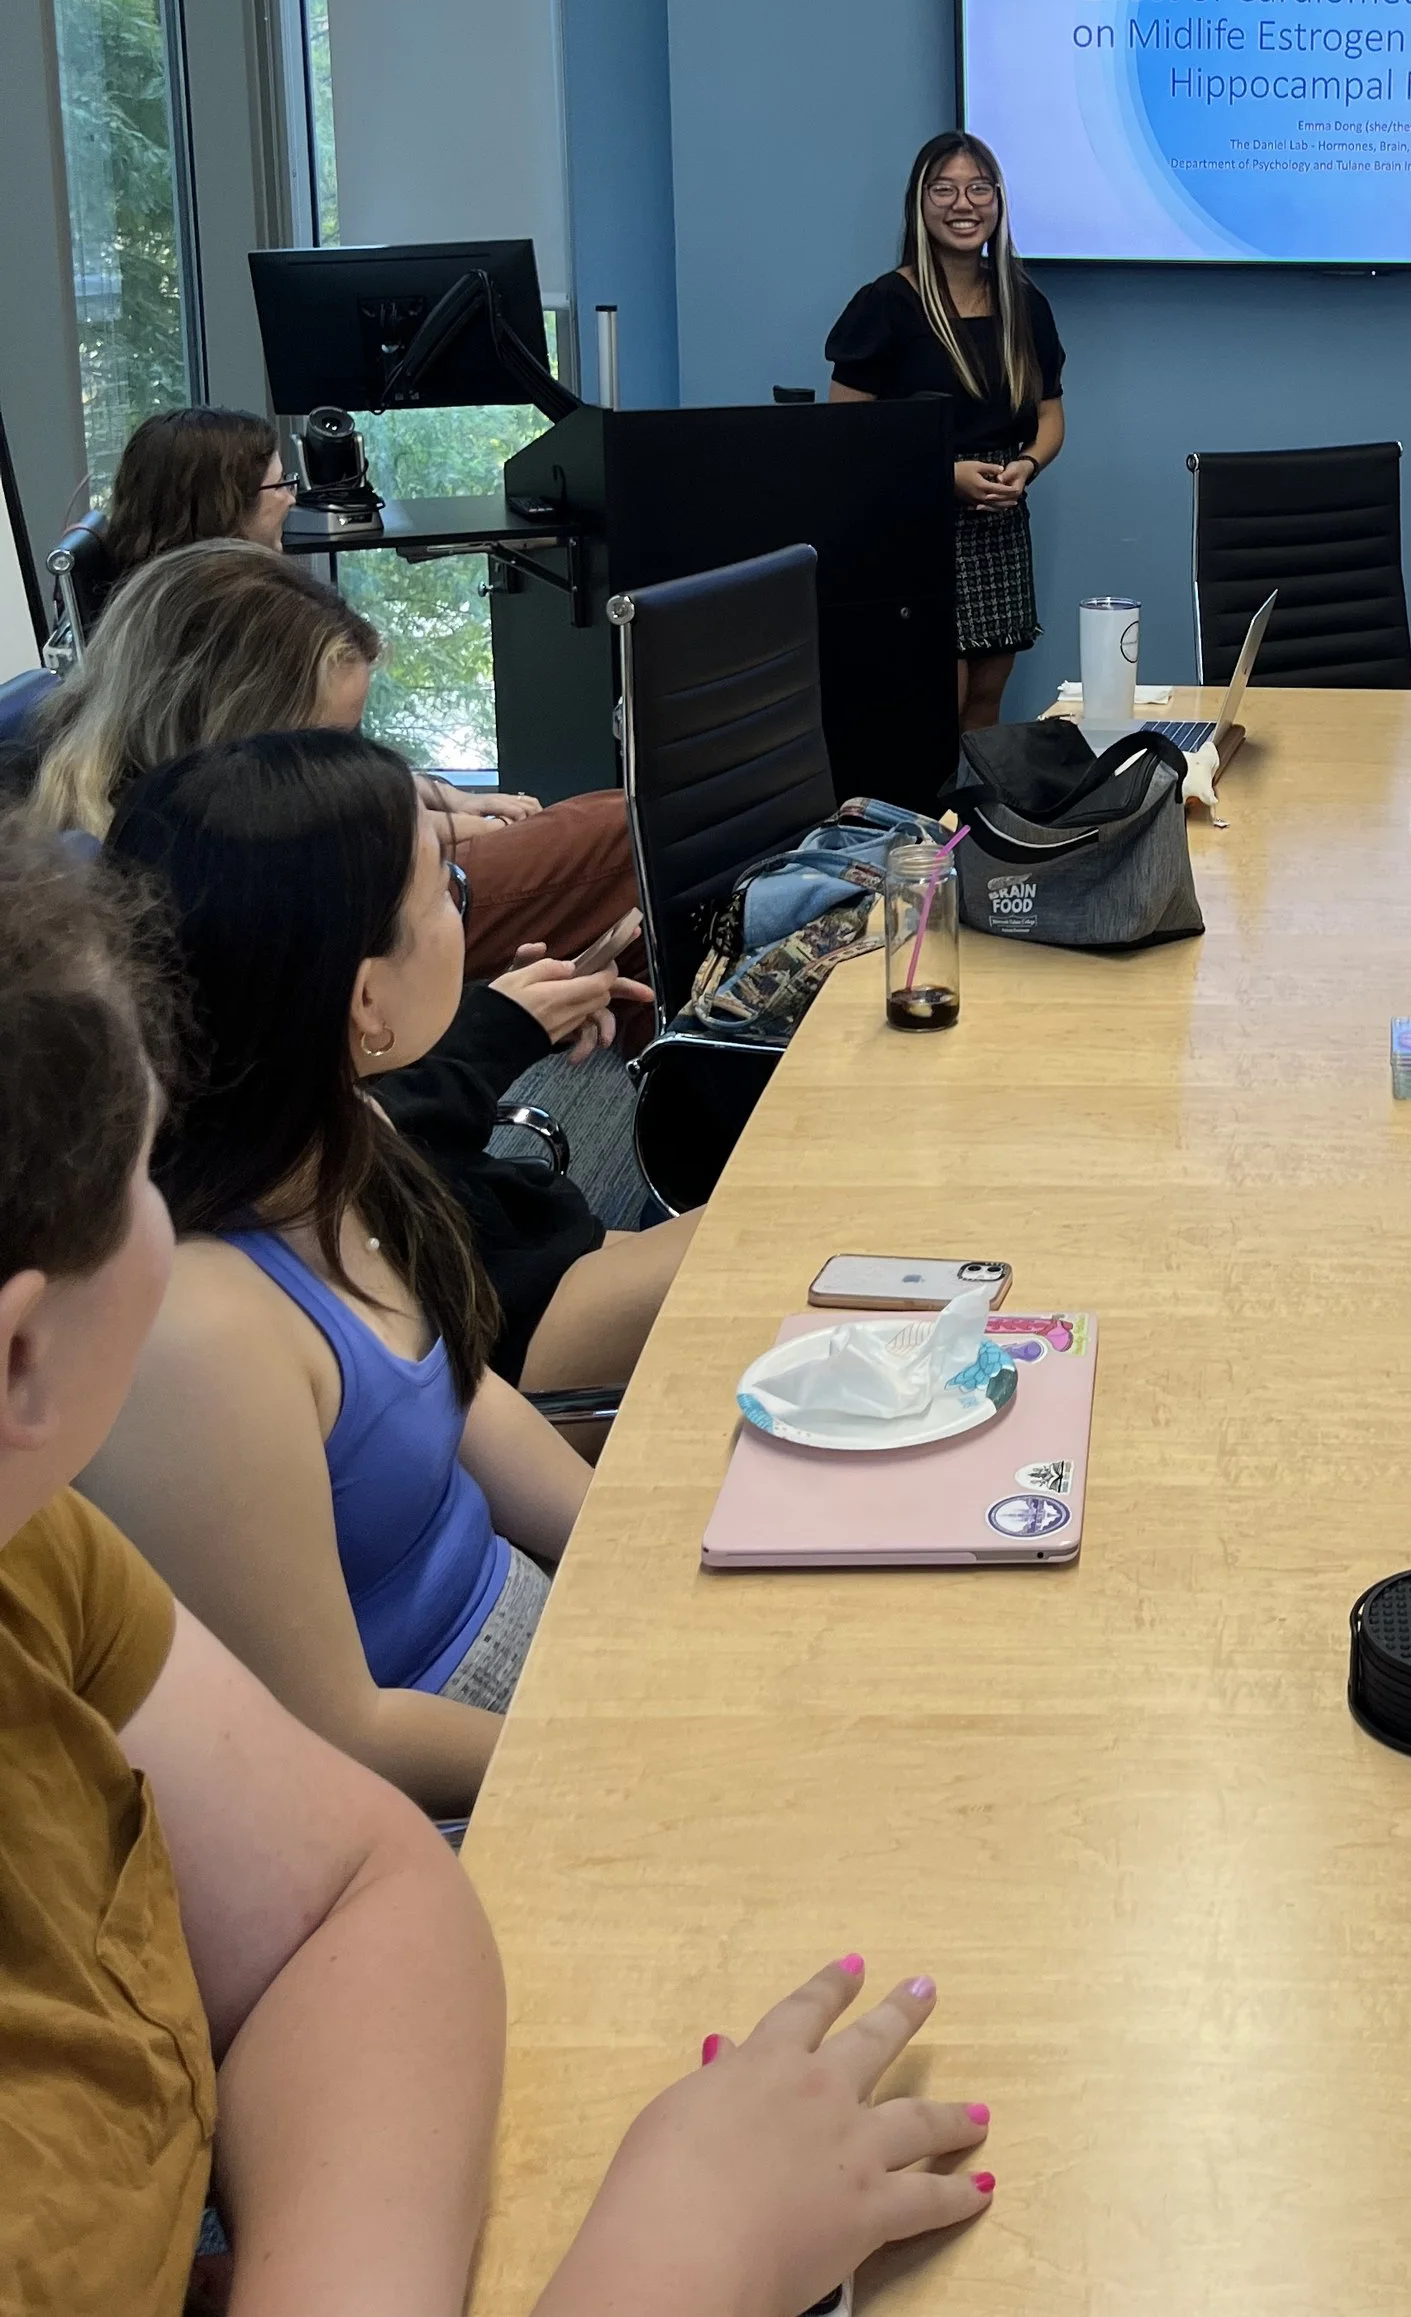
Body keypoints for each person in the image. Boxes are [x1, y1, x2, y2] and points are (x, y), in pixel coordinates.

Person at [0, 816, 995, 2313]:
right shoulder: (204, 1340)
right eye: (140, 1170)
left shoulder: (42, 1546)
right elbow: (358, 1782)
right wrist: (668, 2258)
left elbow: (346, 1885)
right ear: (23, 1355)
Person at [87, 729, 601, 1817]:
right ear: (365, 1000)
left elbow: (462, 1394)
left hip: (529, 1665)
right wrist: (601, 1755)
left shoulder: (332, 1133)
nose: (464, 911)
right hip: (425, 1789)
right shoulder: (203, 1328)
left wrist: (635, 1558)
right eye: (446, 890)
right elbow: (334, 1734)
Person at [24, 535, 647, 1013]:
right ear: (238, 727)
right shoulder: (208, 903)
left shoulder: (121, 797)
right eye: (335, 744)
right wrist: (498, 1029)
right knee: (626, 836)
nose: (350, 766)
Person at [827, 131, 1065, 729]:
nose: (964, 204)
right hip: (918, 520)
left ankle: (975, 823)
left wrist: (1027, 467)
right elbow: (846, 433)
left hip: (1001, 520)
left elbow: (1051, 416)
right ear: (920, 202)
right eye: (945, 190)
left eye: (979, 189)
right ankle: (926, 824)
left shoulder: (1024, 302)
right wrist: (944, 475)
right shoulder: (885, 303)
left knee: (987, 697)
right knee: (937, 704)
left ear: (999, 201)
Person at [90, 402, 298, 592]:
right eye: (280, 484)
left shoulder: (148, 600)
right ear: (225, 507)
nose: (291, 499)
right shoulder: (237, 613)